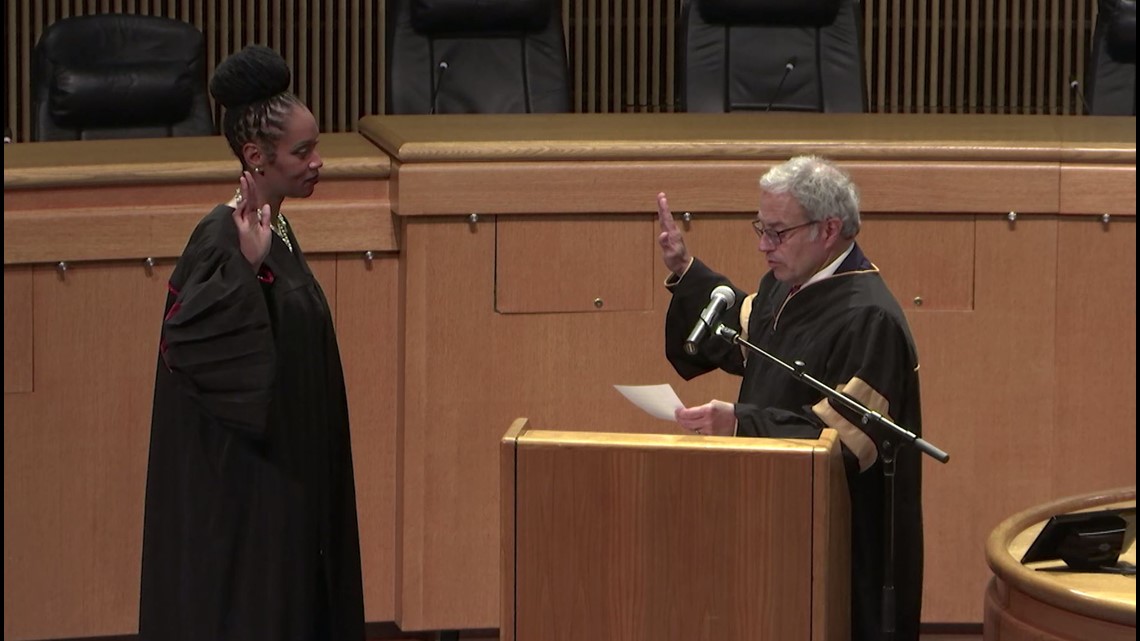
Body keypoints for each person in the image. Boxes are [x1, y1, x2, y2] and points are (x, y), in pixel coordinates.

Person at [138, 45, 365, 640]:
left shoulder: (276, 227)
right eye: (303, 151)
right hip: (247, 494)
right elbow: (196, 355)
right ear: (255, 156)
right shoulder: (222, 239)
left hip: (291, 479)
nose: (319, 161)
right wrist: (249, 271)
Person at [657, 155, 924, 641]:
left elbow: (849, 440)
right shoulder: (785, 288)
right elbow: (742, 332)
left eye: (777, 233)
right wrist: (686, 270)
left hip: (841, 544)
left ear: (829, 229)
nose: (763, 245)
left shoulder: (869, 318)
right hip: (775, 521)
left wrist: (740, 423)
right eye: (761, 228)